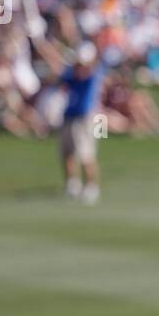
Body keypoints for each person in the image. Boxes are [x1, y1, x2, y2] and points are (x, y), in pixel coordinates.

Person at [59, 42, 105, 204]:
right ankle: (73, 184)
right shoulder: (71, 73)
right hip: (70, 115)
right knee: (67, 152)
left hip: (88, 117)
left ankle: (92, 187)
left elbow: (85, 73)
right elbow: (60, 79)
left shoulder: (95, 72)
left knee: (87, 154)